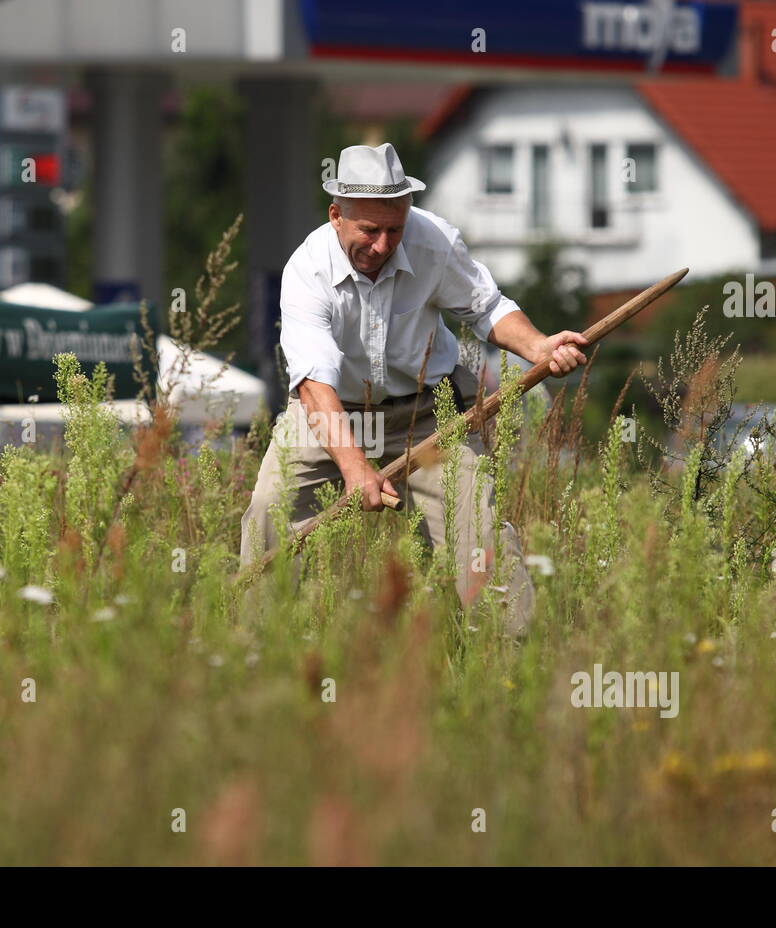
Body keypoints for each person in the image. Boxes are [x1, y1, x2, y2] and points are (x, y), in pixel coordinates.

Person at [238, 143, 588, 635]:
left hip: (427, 414)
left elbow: (486, 307)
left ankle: (512, 664)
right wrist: (356, 467)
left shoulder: (433, 242)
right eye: (370, 230)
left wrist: (538, 347)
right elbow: (315, 384)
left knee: (479, 537)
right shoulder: (306, 271)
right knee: (267, 515)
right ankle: (256, 653)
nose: (383, 245)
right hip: (329, 415)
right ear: (336, 215)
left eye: (394, 229)